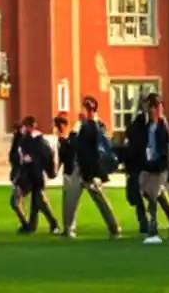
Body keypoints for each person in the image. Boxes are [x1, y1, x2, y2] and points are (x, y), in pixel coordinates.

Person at [70, 96, 121, 239]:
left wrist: (91, 171)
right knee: (79, 201)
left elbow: (91, 151)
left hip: (89, 171)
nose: (81, 111)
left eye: (83, 109)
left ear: (90, 110)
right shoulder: (88, 126)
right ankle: (69, 228)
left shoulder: (91, 127)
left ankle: (115, 227)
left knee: (101, 201)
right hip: (85, 169)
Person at [12, 116, 58, 235]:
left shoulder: (40, 141)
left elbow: (46, 158)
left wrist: (32, 159)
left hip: (35, 177)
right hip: (26, 176)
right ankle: (29, 225)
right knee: (20, 202)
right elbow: (14, 156)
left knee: (38, 203)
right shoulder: (23, 139)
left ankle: (49, 224)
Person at [139, 94, 169, 244]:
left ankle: (153, 231)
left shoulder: (163, 125)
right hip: (150, 164)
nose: (151, 110)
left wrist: (163, 163)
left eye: (152, 107)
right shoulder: (149, 126)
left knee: (153, 197)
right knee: (152, 194)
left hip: (159, 166)